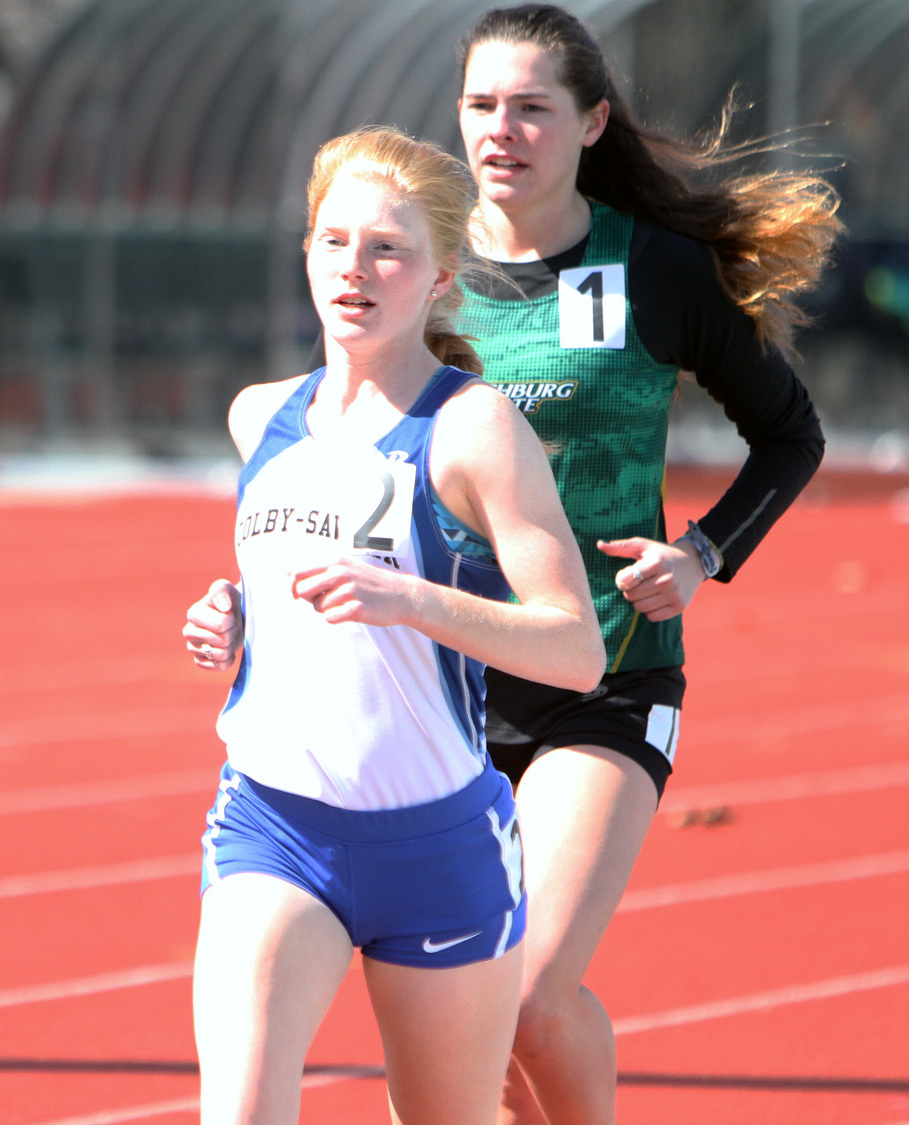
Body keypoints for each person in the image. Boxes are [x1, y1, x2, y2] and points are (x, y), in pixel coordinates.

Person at [443, 6, 840, 1122]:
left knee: (519, 998)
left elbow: (789, 433)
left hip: (602, 680)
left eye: (530, 108)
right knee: (443, 1039)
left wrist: (702, 553)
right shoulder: (416, 269)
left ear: (590, 122)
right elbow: (342, 453)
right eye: (480, 106)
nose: (500, 130)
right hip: (436, 691)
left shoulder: (651, 268)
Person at [180, 125, 604, 1125]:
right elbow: (282, 578)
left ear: (440, 276)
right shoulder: (259, 418)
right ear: (305, 254)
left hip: (437, 850)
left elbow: (574, 647)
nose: (354, 269)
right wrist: (229, 614)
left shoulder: (472, 430)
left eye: (386, 249)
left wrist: (408, 600)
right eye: (333, 242)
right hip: (274, 825)